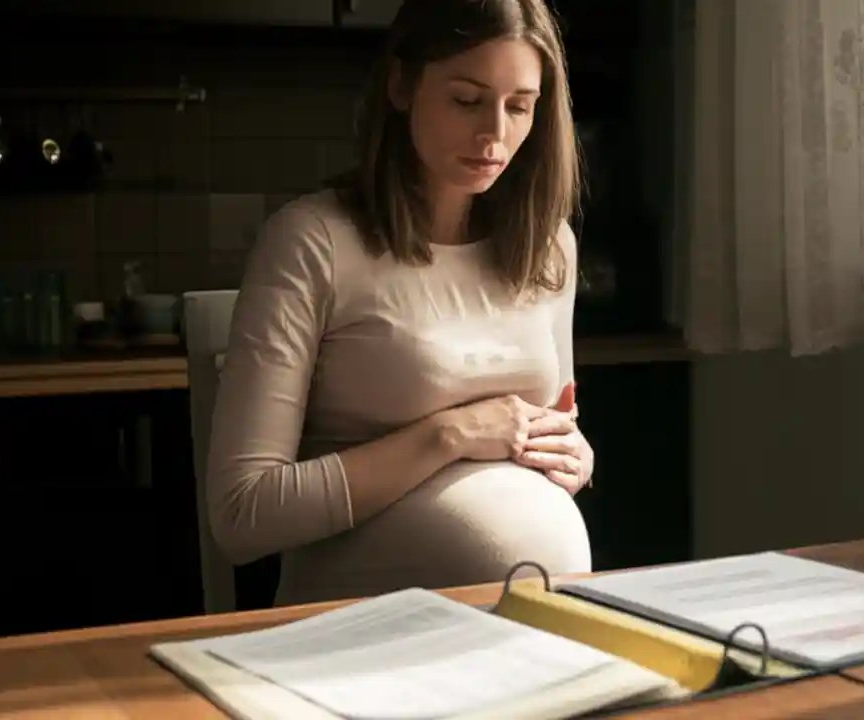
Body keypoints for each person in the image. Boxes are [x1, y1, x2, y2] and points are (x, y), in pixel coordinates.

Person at [204, 0, 595, 606]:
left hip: (535, 632)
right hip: (362, 631)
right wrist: (449, 434)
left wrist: (573, 456)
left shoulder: (548, 247)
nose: (494, 133)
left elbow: (550, 425)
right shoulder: (313, 243)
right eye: (466, 100)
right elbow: (242, 513)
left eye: (520, 107)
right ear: (402, 85)